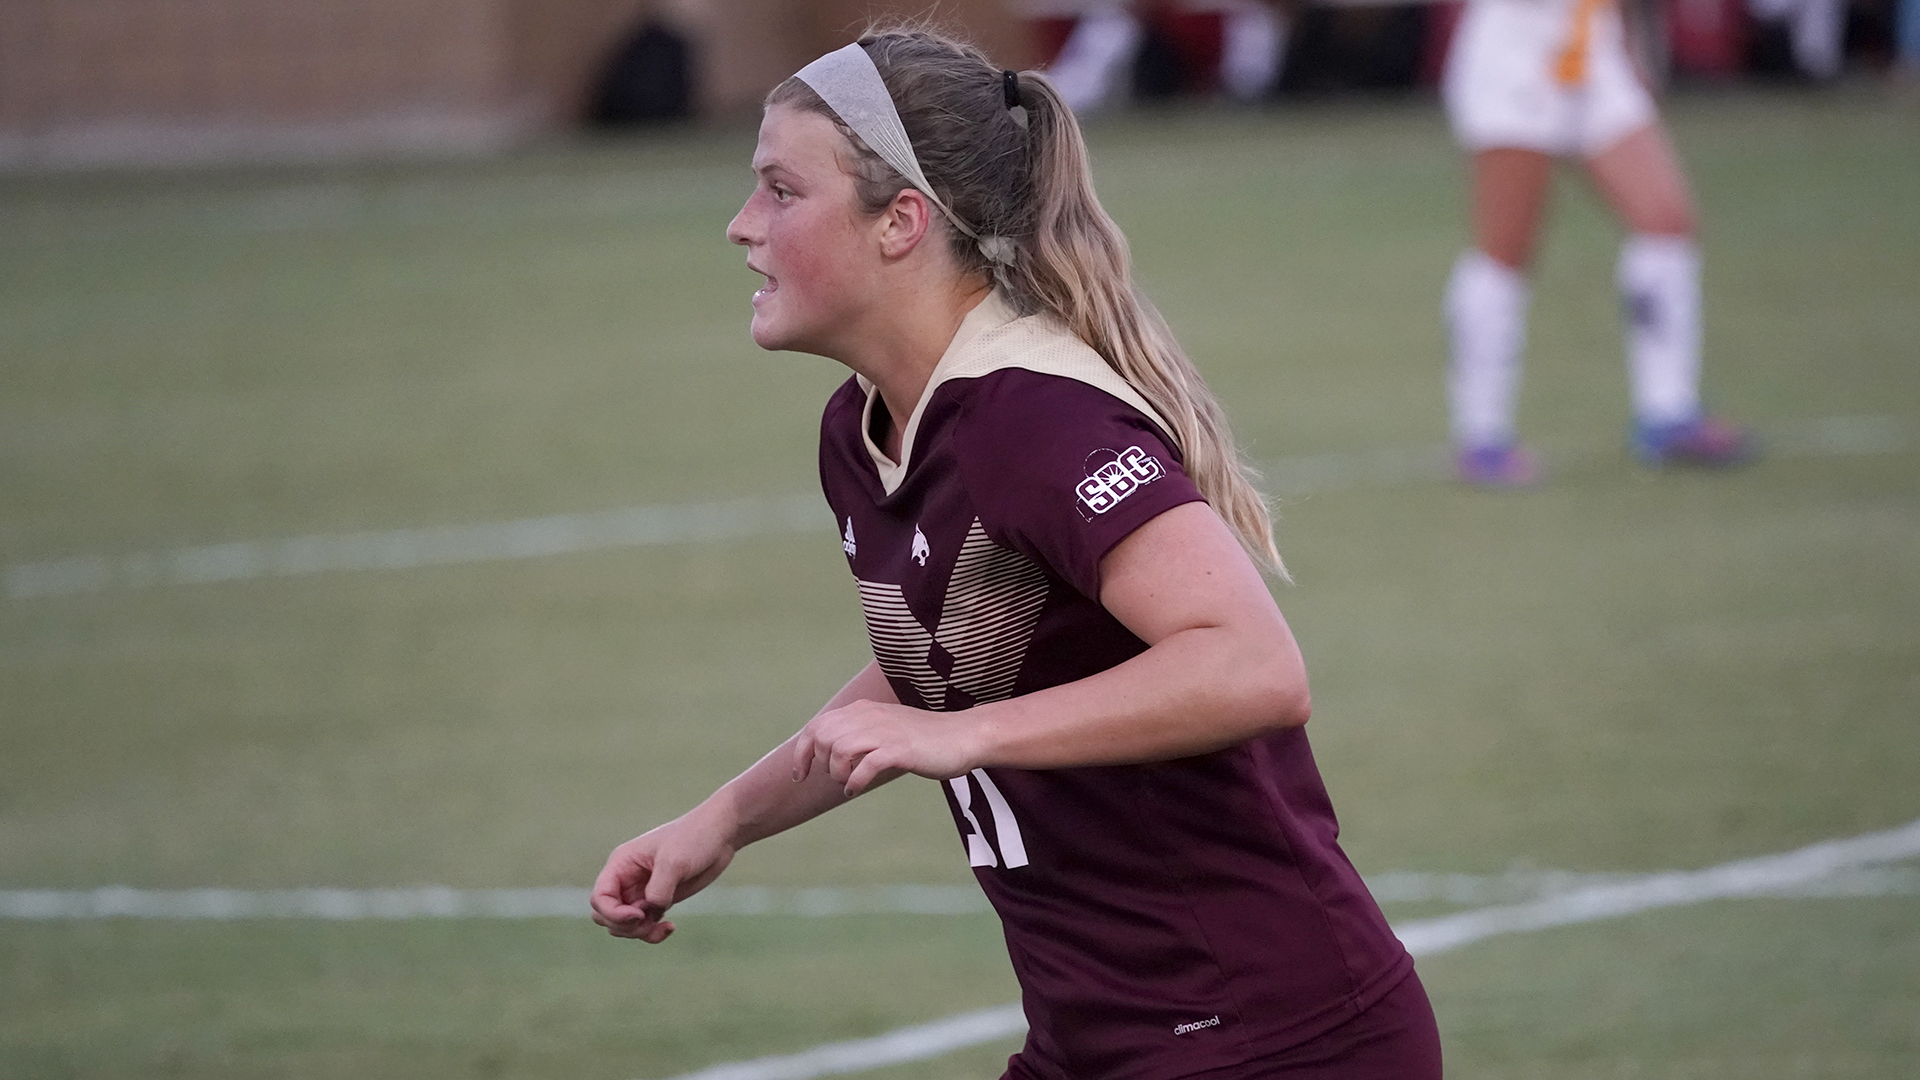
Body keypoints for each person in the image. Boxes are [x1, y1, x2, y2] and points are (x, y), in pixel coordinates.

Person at [591, 28, 1442, 1080]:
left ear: (900, 221)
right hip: (1101, 1041)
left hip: (1275, 1041)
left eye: (779, 190)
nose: (741, 225)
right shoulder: (865, 430)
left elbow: (1252, 665)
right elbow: (939, 660)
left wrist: (973, 737)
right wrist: (724, 818)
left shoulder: (1034, 422)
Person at [1440, 0, 1753, 486]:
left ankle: (1667, 413)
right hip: (1517, 55)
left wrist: (1628, 50)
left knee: (1665, 221)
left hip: (1592, 47)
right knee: (1506, 250)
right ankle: (1483, 438)